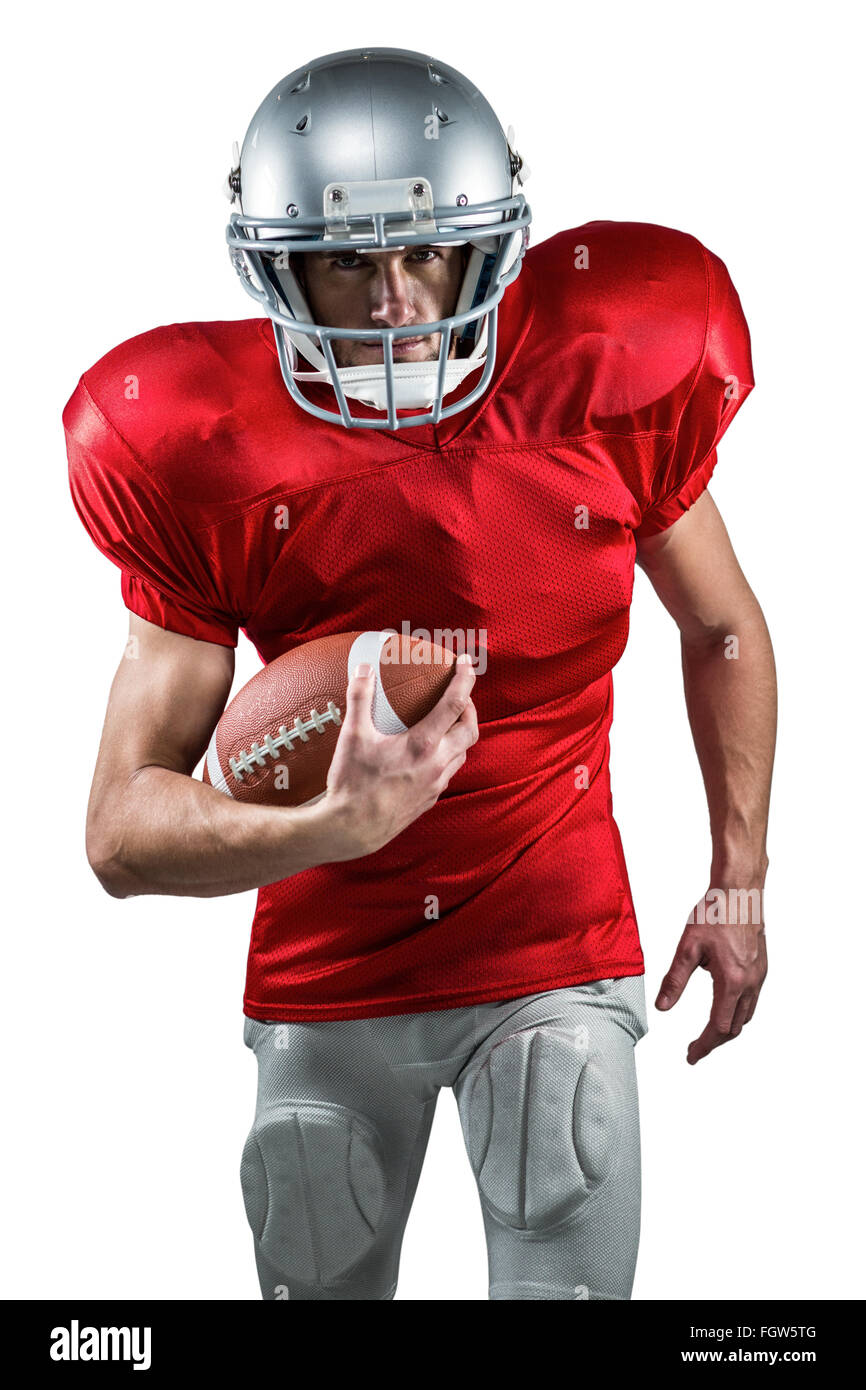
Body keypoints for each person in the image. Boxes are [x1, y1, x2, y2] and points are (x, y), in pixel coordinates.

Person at [63, 46, 774, 1301]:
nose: (396, 303)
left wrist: (736, 881)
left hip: (555, 941)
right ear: (278, 267)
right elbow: (120, 830)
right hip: (330, 970)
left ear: (487, 247)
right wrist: (330, 824)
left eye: (425, 253)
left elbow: (718, 628)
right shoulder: (200, 449)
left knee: (561, 1164)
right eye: (348, 260)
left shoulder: (601, 376)